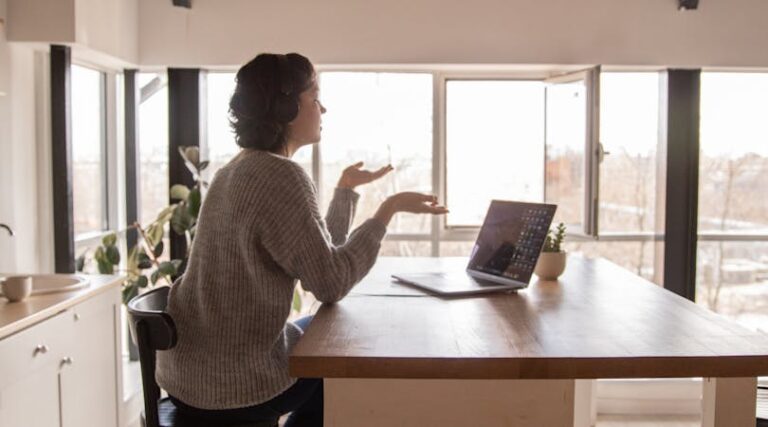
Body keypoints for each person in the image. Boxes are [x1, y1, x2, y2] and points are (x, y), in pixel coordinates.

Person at [155, 52, 448, 426]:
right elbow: (331, 284)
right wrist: (387, 210)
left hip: (188, 377)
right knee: (341, 353)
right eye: (315, 97)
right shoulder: (280, 175)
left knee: (325, 334)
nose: (323, 109)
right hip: (236, 385)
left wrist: (345, 191)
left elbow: (318, 259)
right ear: (286, 106)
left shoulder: (236, 168)